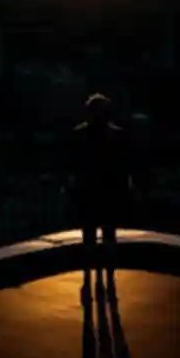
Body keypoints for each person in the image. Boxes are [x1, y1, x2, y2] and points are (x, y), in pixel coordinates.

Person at [68, 93, 132, 301]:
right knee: (108, 235)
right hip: (109, 193)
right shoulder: (117, 135)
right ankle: (109, 279)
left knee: (89, 236)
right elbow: (124, 169)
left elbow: (73, 168)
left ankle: (88, 278)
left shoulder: (79, 135)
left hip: (88, 193)